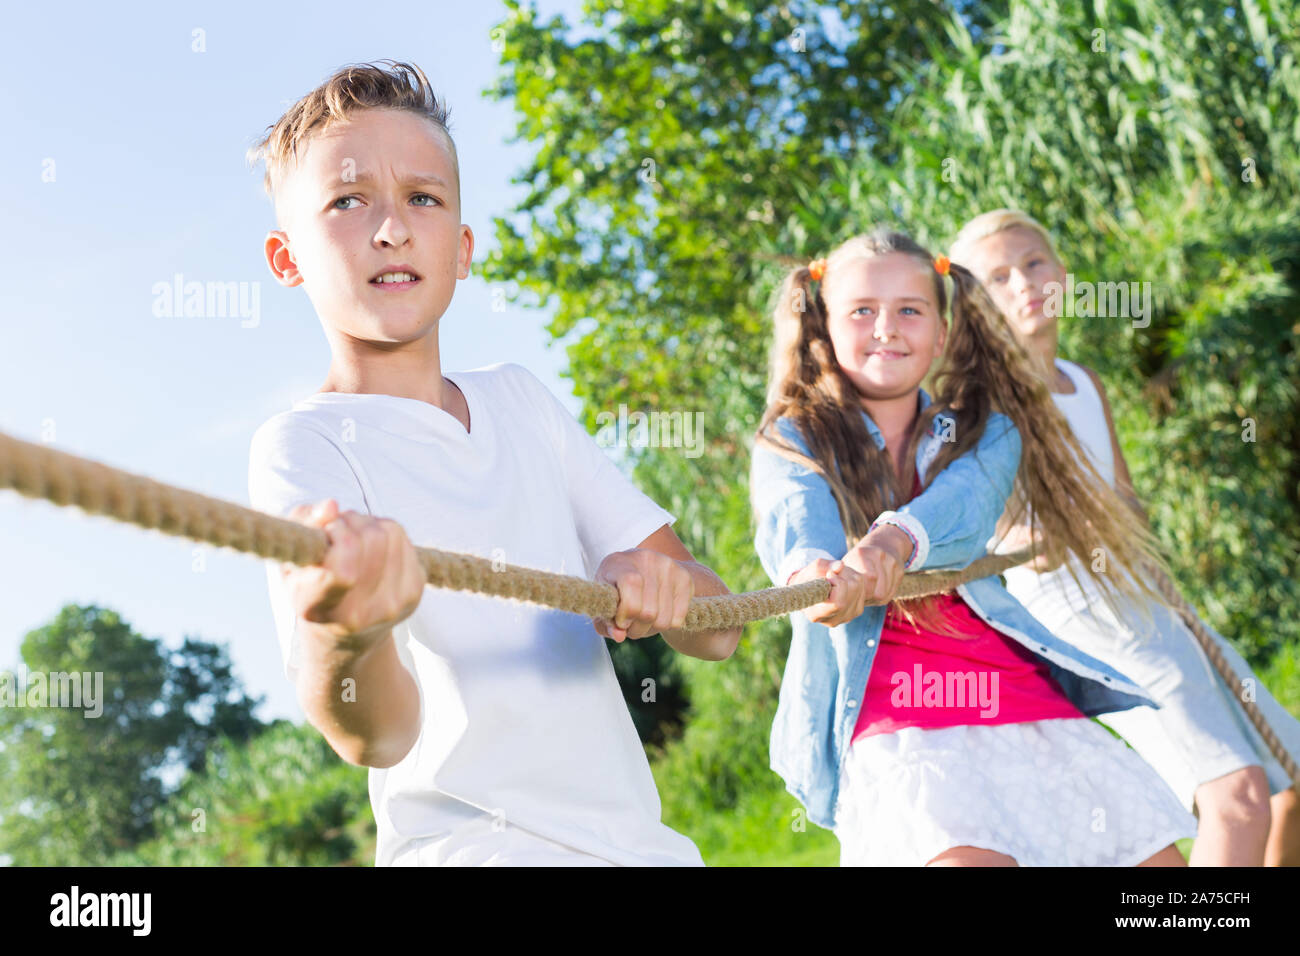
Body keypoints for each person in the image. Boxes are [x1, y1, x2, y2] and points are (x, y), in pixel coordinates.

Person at [244, 60, 739, 866]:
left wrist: (666, 589)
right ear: (287, 256)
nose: (392, 227)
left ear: (463, 247)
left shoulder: (523, 403)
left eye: (423, 197)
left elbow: (719, 635)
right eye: (347, 200)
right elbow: (377, 733)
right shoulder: (305, 448)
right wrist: (352, 631)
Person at [749, 229, 1198, 866]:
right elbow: (794, 513)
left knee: (1156, 868)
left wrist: (892, 541)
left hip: (1007, 686)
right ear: (822, 325)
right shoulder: (793, 437)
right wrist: (816, 571)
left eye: (910, 309)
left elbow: (966, 501)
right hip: (896, 707)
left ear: (940, 332)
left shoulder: (983, 432)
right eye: (861, 310)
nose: (887, 328)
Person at [949, 208, 1300, 866]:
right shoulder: (978, 406)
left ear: (1061, 274)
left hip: (1145, 593)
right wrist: (1019, 533)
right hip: (1075, 609)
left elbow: (1126, 501)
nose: (1024, 283)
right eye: (997, 277)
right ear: (971, 307)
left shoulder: (1084, 384)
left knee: (1288, 787)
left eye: (1034, 263)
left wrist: (1133, 545)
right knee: (1237, 797)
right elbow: (968, 524)